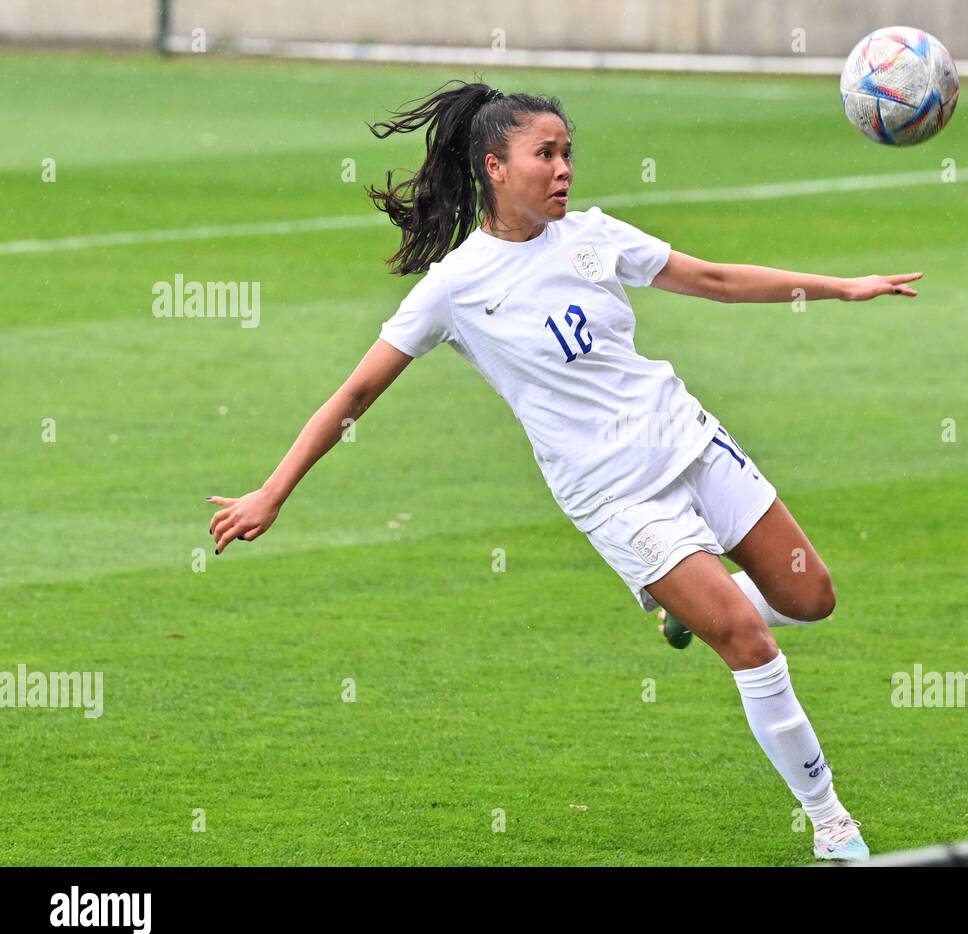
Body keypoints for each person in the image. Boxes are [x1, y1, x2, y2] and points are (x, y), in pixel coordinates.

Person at [206, 80, 923, 862]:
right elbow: (356, 392)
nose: (563, 170)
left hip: (691, 440)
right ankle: (832, 826)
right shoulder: (454, 287)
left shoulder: (593, 236)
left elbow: (712, 278)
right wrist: (271, 493)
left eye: (567, 153)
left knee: (810, 597)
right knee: (750, 643)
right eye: (544, 154)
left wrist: (839, 287)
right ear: (494, 167)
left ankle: (692, 606)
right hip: (615, 498)